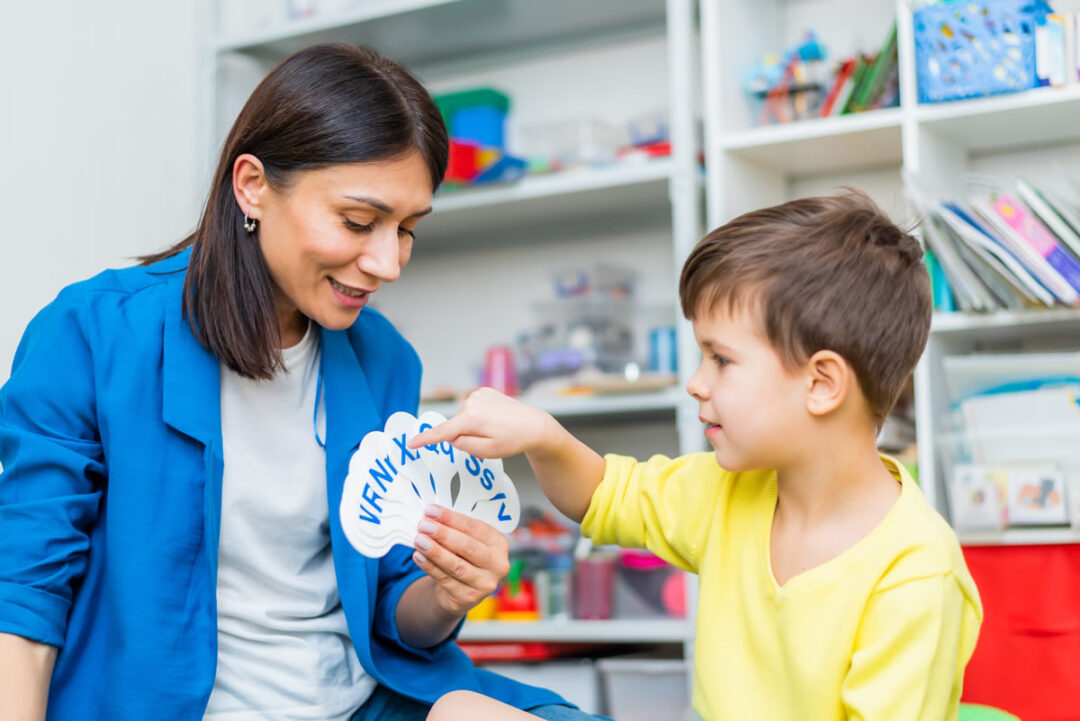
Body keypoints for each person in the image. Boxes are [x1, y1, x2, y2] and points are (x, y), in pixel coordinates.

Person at [0, 43, 609, 721]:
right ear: (252, 185)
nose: (388, 262)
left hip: (365, 701)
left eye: (408, 230)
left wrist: (447, 590)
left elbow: (393, 610)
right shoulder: (94, 333)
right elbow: (24, 595)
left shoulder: (383, 358)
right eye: (358, 221)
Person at [416, 191, 984, 721]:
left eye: (721, 359)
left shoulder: (916, 574)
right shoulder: (727, 490)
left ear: (821, 384)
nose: (695, 382)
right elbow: (602, 497)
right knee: (458, 711)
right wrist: (544, 436)